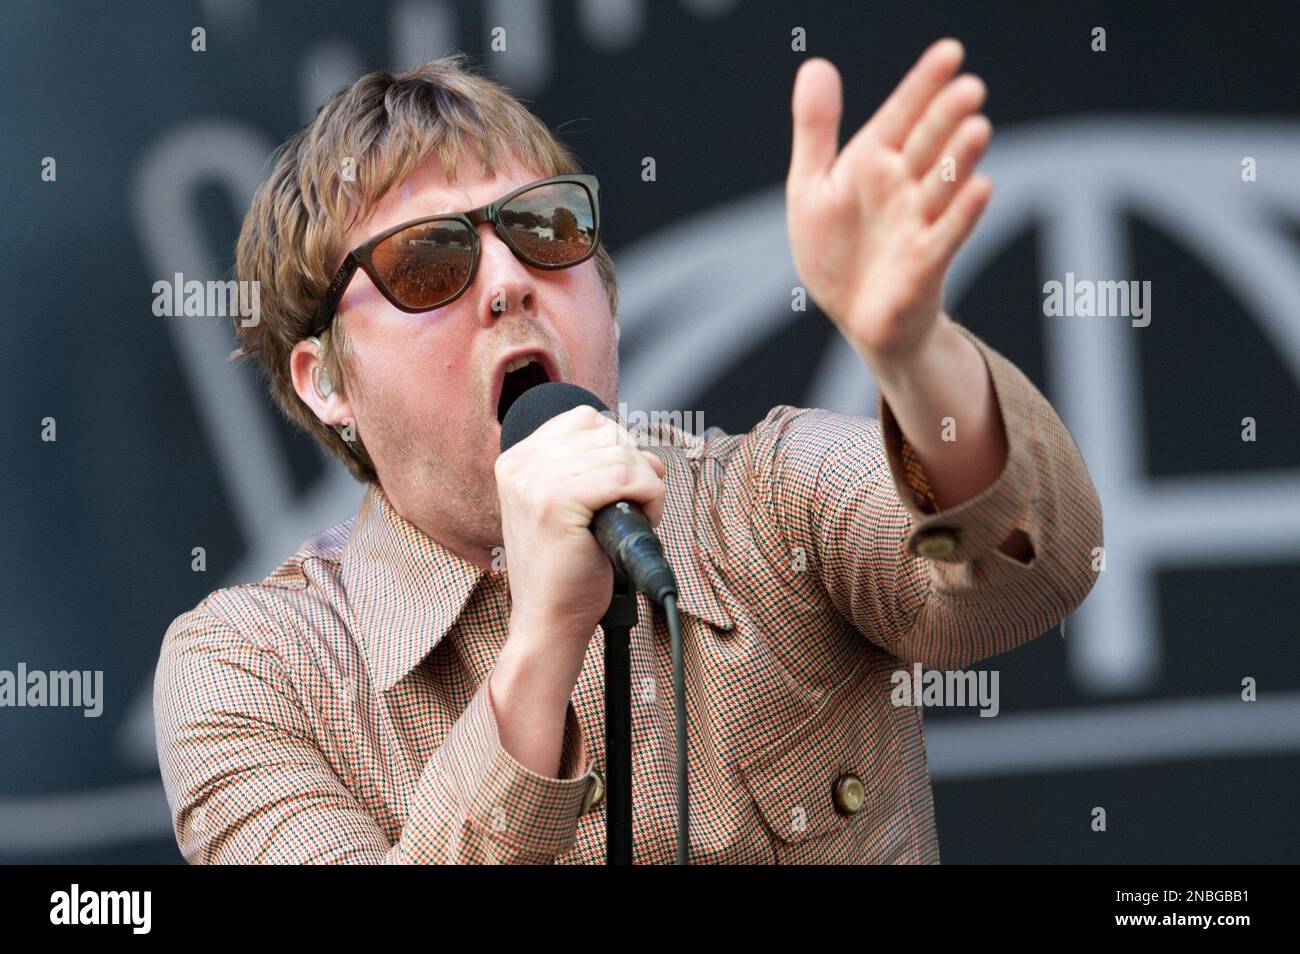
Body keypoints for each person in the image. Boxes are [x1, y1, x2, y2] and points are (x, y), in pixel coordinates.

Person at [153, 39, 1103, 864]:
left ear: (605, 292)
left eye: (545, 227)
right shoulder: (250, 668)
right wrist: (542, 643)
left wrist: (914, 353)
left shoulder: (765, 501)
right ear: (328, 381)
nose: (510, 282)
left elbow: (1037, 568)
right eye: (427, 262)